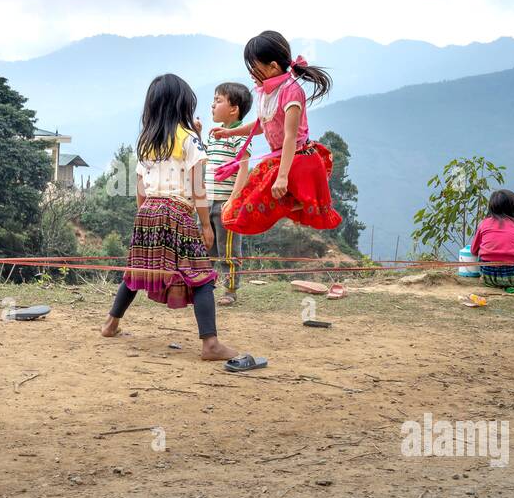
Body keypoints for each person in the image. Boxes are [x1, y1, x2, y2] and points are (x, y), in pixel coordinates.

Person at [101, 74, 241, 361]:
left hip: (148, 211)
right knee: (201, 276)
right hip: (177, 212)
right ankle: (210, 343)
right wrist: (205, 224)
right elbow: (199, 187)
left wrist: (143, 216)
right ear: (183, 105)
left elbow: (140, 188)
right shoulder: (189, 139)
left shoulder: (146, 140)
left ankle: (110, 324)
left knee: (138, 269)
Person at [211, 30, 342, 235]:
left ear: (272, 67)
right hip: (277, 160)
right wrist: (229, 133)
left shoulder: (291, 92)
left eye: (255, 68)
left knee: (249, 210)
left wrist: (282, 178)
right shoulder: (266, 91)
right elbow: (264, 124)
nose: (251, 73)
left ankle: (293, 202)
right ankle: (286, 203)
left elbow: (290, 137)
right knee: (233, 213)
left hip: (298, 159)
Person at [204, 81, 252, 305]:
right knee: (206, 247)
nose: (212, 105)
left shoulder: (239, 136)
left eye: (218, 100)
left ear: (234, 109)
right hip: (206, 203)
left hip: (226, 204)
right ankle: (204, 287)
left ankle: (230, 291)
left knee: (229, 250)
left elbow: (244, 167)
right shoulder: (213, 135)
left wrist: (233, 200)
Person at [471, 190, 514, 289]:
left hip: (488, 276)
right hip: (512, 276)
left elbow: (473, 251)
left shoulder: (483, 224)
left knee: (483, 253)